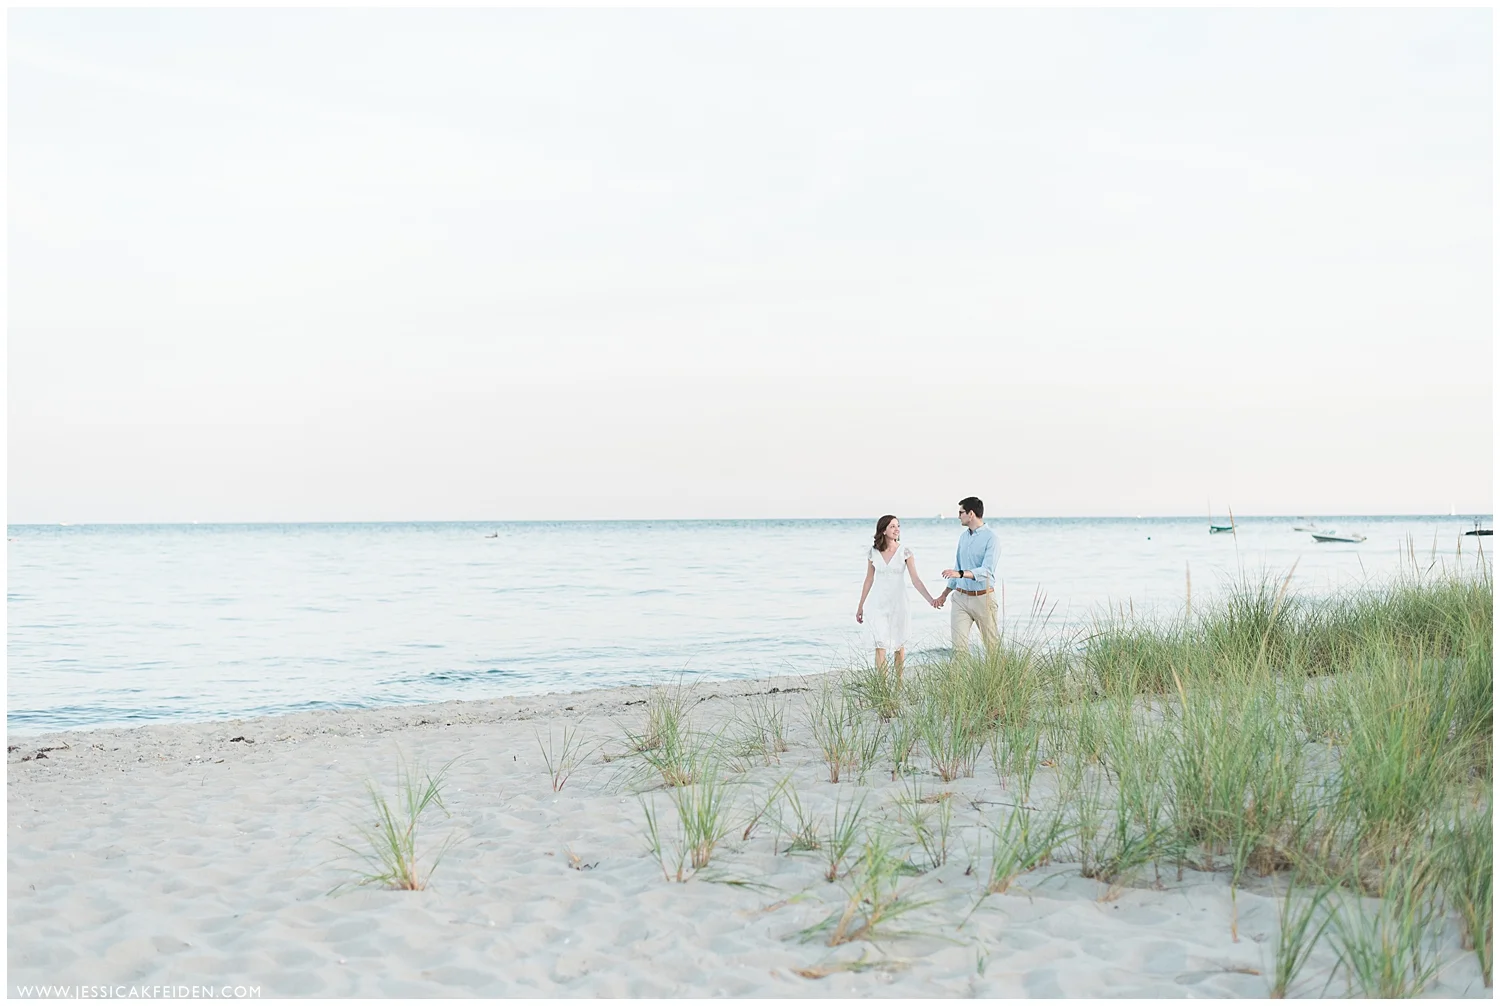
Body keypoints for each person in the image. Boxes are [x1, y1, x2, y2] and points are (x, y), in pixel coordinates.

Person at [855, 515, 939, 684]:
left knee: (899, 645)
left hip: (899, 603)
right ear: (883, 530)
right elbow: (868, 580)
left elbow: (916, 580)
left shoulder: (905, 552)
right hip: (877, 604)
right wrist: (860, 606)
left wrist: (931, 599)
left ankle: (899, 684)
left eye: (898, 526)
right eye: (892, 526)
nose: (897, 529)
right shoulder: (873, 553)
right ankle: (883, 685)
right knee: (880, 643)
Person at [933, 496, 1000, 656]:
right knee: (959, 649)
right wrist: (944, 594)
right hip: (960, 599)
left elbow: (987, 571)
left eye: (961, 512)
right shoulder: (963, 537)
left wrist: (961, 573)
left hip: (983, 599)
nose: (958, 516)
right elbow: (957, 567)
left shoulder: (991, 538)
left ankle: (997, 680)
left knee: (992, 649)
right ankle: (959, 681)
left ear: (971, 514)